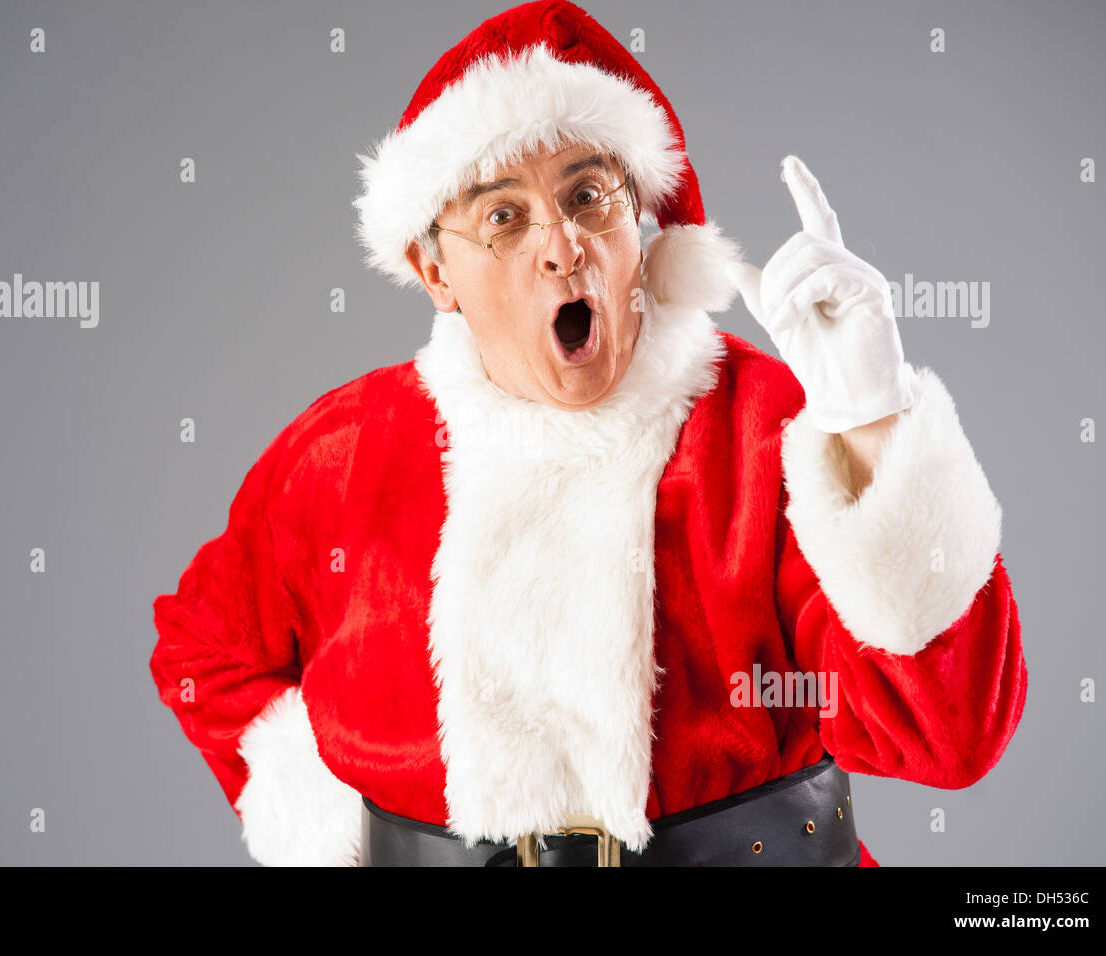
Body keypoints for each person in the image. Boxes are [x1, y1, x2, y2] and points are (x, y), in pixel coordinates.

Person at [149, 0, 1027, 867]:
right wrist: (306, 806)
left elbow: (949, 736)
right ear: (434, 271)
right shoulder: (340, 456)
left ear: (639, 224)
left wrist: (871, 418)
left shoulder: (773, 430)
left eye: (589, 196)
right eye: (503, 217)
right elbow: (204, 650)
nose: (563, 245)